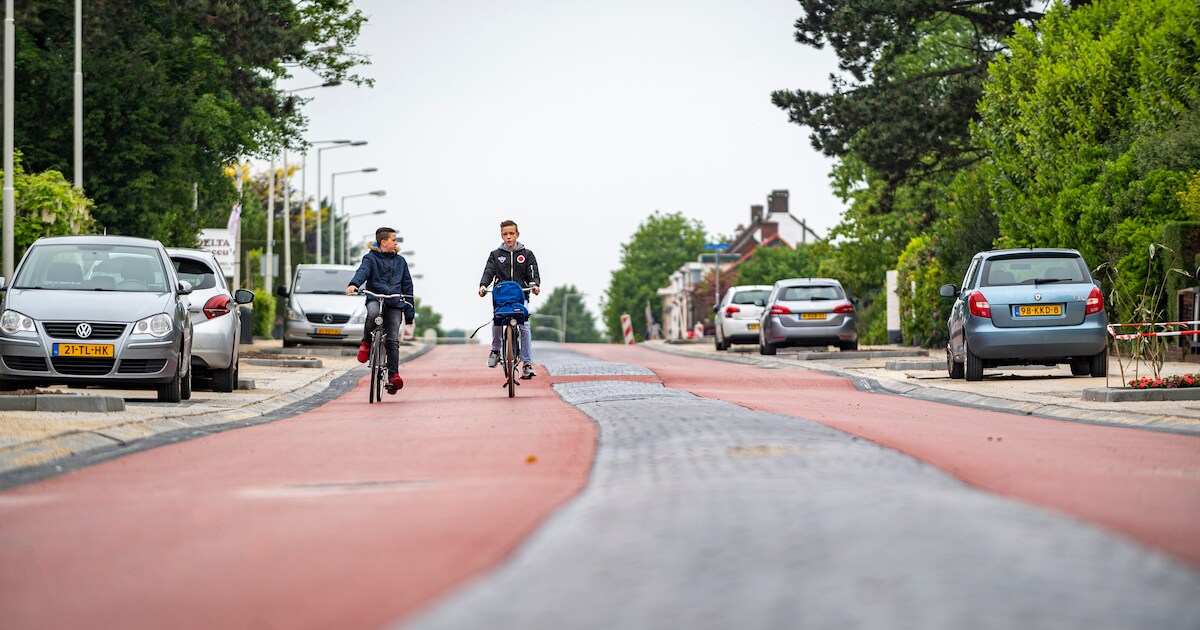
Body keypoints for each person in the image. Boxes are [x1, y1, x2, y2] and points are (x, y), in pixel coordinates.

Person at [346, 227, 415, 394]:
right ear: (383, 242)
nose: (396, 243)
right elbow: (362, 272)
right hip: (375, 297)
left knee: (392, 339)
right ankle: (366, 343)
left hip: (395, 301)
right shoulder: (370, 258)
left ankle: (393, 377)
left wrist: (409, 313)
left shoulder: (401, 261)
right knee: (372, 315)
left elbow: (407, 286)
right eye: (394, 239)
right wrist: (354, 283)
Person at [478, 219, 540, 378]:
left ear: (517, 234)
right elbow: (488, 272)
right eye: (505, 234)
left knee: (524, 326)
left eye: (512, 233)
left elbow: (533, 273)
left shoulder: (527, 254)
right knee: (497, 321)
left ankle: (526, 363)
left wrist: (534, 285)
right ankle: (495, 351)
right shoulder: (495, 255)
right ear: (501, 236)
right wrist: (483, 285)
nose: (509, 237)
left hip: (521, 296)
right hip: (502, 297)